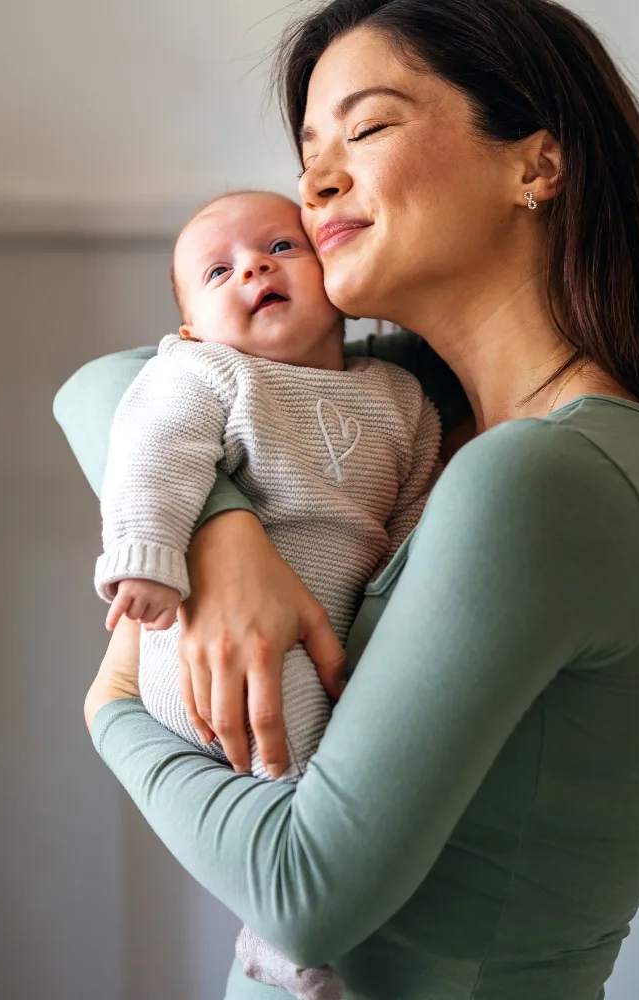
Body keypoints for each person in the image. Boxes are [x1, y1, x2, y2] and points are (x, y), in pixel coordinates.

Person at [54, 1, 639, 996]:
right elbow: (104, 386)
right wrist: (224, 537)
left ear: (535, 164)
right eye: (308, 148)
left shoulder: (539, 476)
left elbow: (301, 892)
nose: (315, 180)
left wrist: (114, 706)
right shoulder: (424, 403)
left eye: (369, 126)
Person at [96, 189, 439, 1000]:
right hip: (203, 648)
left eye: (281, 248)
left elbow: (414, 514)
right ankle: (282, 929)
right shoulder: (205, 370)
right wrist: (145, 558)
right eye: (219, 271)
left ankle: (277, 922)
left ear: (333, 276)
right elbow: (152, 448)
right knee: (300, 756)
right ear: (188, 328)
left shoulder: (402, 397)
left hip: (320, 634)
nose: (253, 267)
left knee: (338, 747)